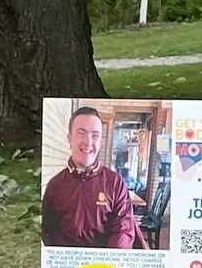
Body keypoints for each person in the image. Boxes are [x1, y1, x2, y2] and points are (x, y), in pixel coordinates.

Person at [40, 105, 140, 249]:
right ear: (69, 138)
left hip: (104, 266)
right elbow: (47, 231)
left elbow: (123, 229)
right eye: (81, 133)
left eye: (95, 135)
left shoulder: (115, 183)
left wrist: (110, 263)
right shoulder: (55, 185)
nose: (88, 142)